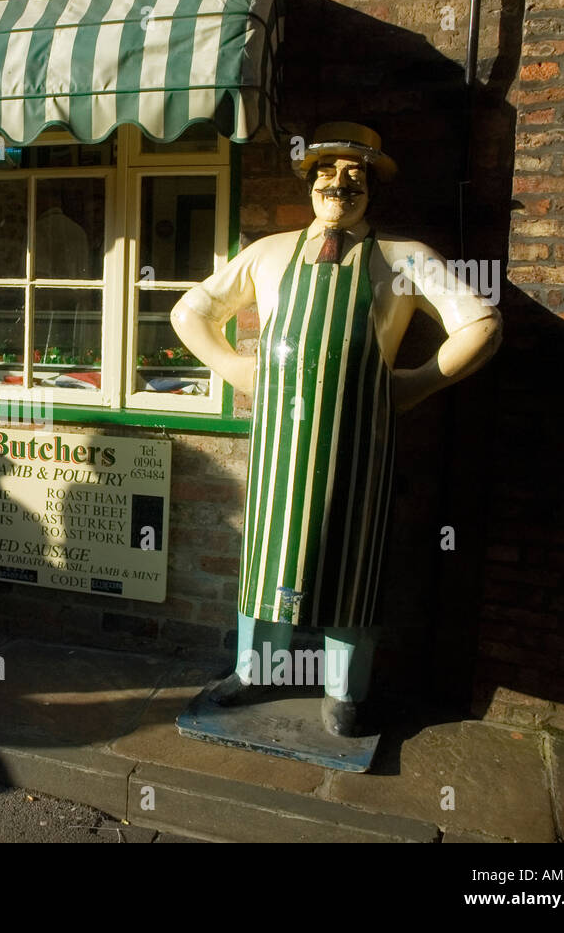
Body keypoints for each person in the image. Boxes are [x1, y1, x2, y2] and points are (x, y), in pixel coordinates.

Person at [171, 122, 502, 737]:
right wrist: (239, 370)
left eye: (356, 173)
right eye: (328, 170)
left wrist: (417, 382)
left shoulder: (405, 259)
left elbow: (480, 324)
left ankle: (346, 692)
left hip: (361, 446)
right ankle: (255, 670)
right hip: (277, 447)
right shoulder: (268, 252)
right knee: (268, 554)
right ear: (309, 179)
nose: (341, 182)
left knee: (353, 563)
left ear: (372, 187)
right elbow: (190, 311)